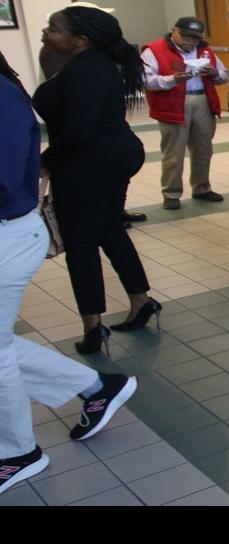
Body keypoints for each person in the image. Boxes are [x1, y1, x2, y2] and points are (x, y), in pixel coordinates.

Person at [1, 49, 138, 497]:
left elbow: (7, 181)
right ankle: (96, 385)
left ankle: (17, 453)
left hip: (10, 233)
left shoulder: (6, 97)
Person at [32, 5, 162, 354]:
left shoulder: (85, 70)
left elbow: (78, 132)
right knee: (108, 230)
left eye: (54, 28)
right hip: (111, 157)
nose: (46, 32)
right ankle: (141, 300)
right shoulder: (90, 65)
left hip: (88, 165)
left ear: (80, 40)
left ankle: (93, 328)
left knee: (81, 245)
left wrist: (45, 163)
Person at [142, 15, 227, 211]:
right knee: (174, 152)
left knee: (203, 148)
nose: (191, 41)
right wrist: (172, 79)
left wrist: (214, 74)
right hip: (173, 102)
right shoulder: (154, 50)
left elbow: (223, 75)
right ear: (174, 31)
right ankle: (171, 193)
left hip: (203, 101)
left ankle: (202, 188)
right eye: (186, 36)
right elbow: (145, 80)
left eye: (195, 38)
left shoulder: (205, 50)